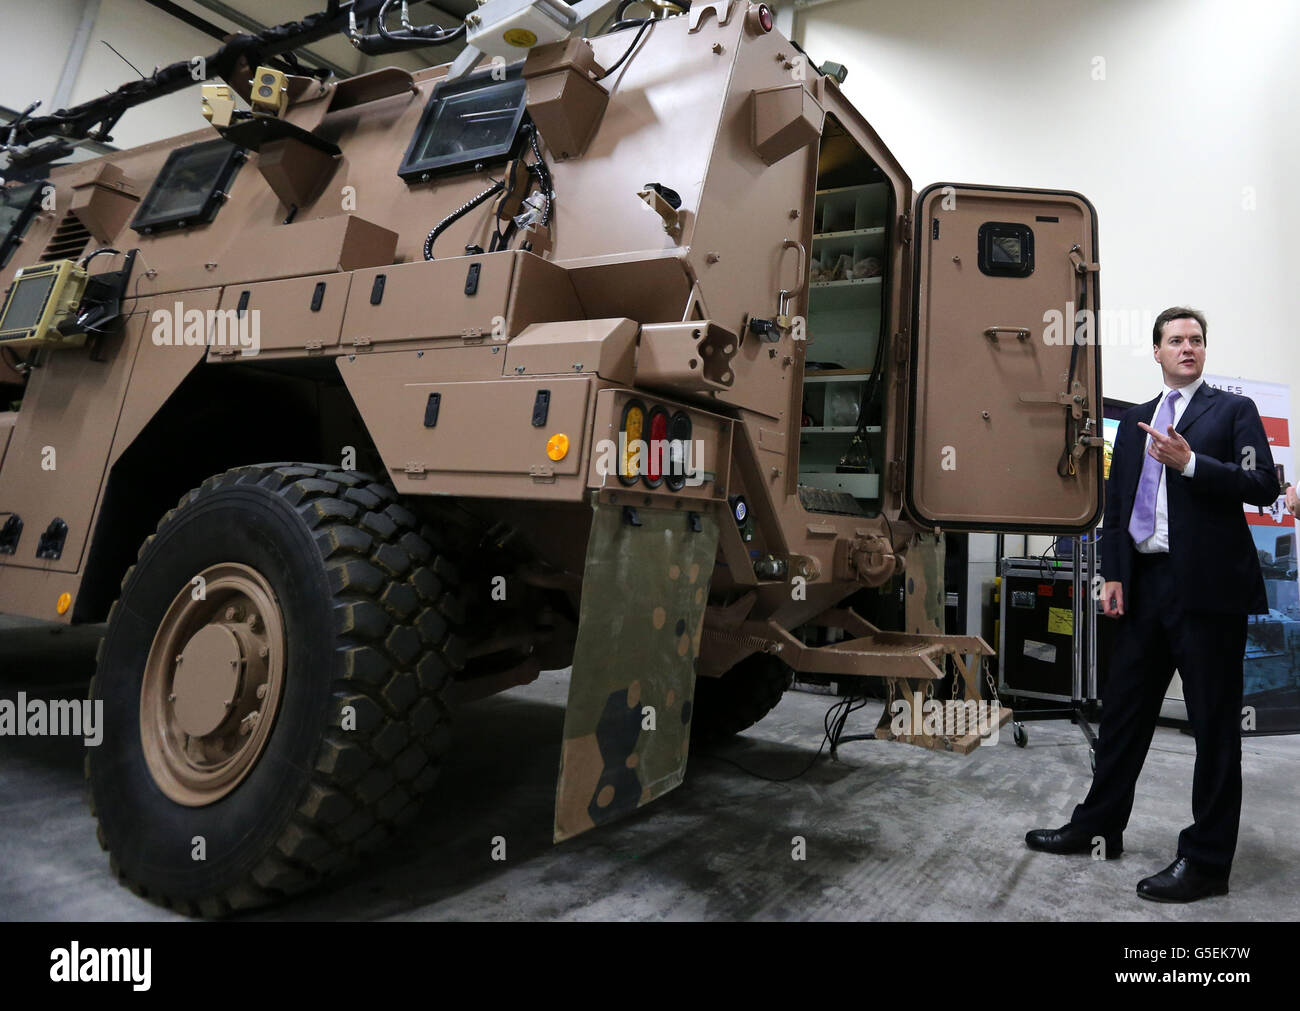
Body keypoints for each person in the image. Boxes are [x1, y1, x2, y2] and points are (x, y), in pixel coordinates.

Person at [1025, 307, 1279, 902]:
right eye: (1175, 340)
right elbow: (1117, 507)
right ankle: (1097, 826)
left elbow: (1261, 483)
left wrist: (1190, 462)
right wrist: (1114, 575)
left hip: (1208, 593)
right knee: (1123, 713)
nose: (1186, 347)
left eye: (1196, 339)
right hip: (1143, 588)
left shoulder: (1232, 412)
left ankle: (1208, 862)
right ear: (1157, 352)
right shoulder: (1138, 422)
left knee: (1213, 727)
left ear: (1204, 351)